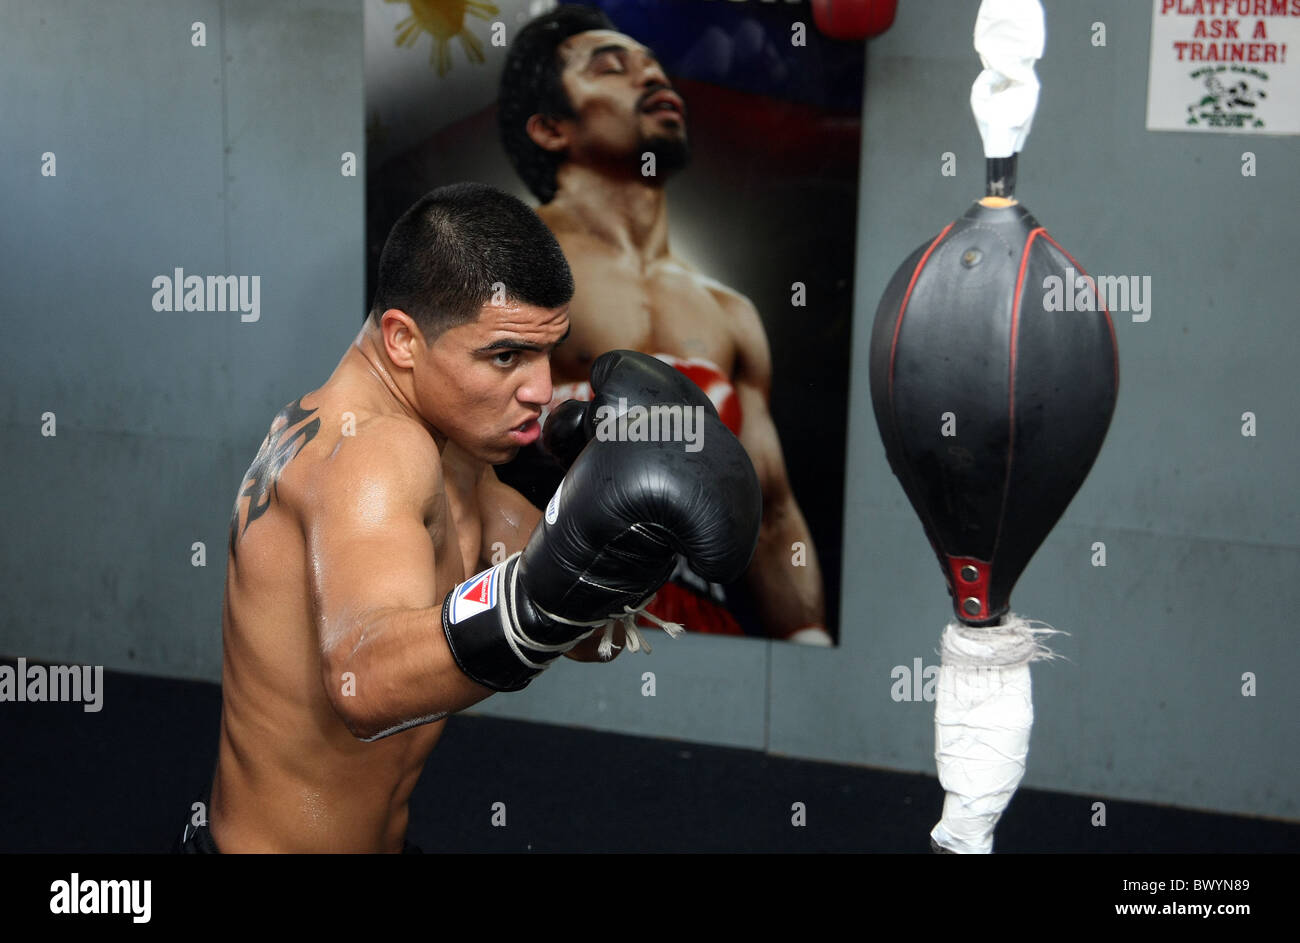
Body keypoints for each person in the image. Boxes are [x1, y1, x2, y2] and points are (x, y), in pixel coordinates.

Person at [176, 182, 759, 853]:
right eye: (506, 355)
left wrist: (622, 553)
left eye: (548, 350)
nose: (541, 389)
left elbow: (579, 633)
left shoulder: (451, 447)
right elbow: (362, 683)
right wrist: (538, 596)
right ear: (402, 339)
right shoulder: (374, 453)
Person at [498, 5, 831, 645]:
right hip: (542, 610)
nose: (652, 78)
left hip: (696, 620)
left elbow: (772, 514)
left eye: (654, 66)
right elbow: (450, 456)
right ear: (548, 128)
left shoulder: (729, 312)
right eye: (612, 68)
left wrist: (805, 636)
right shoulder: (503, 262)